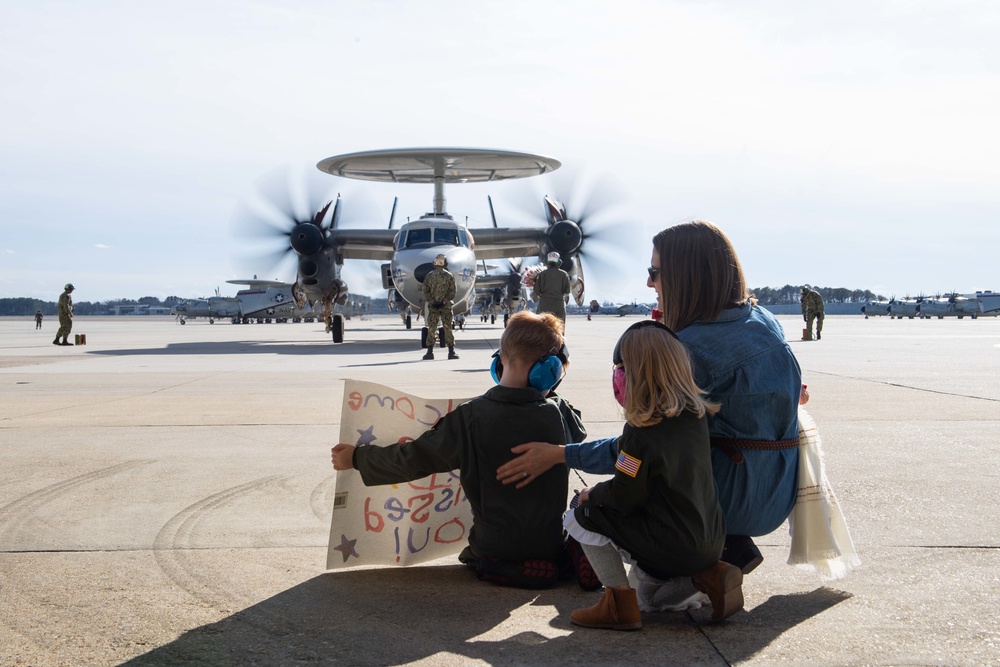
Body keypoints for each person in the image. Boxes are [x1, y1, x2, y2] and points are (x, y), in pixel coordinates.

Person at [499, 220, 802, 585]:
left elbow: (641, 449)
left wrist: (560, 455)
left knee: (589, 506)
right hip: (776, 496)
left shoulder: (686, 353)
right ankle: (729, 551)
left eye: (654, 272)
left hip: (726, 504)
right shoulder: (765, 322)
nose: (649, 283)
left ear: (685, 275)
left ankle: (661, 582)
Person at [332, 311, 593, 589]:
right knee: (580, 510)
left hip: (493, 545)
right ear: (549, 371)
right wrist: (549, 390)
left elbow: (413, 459)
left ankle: (496, 565)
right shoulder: (560, 413)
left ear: (499, 362)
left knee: (478, 551)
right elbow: (579, 432)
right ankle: (568, 558)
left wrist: (357, 458)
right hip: (548, 545)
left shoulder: (469, 417)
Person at [564, 320, 742, 631]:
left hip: (672, 544)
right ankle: (709, 575)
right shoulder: (695, 415)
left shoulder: (639, 434)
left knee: (578, 516)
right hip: (710, 540)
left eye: (620, 367)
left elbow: (623, 497)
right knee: (651, 600)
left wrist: (591, 495)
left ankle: (617, 603)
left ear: (633, 375)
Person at [421, 254, 459, 360]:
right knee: (448, 328)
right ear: (445, 263)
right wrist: (444, 301)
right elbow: (453, 292)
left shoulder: (429, 276)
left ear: (435, 263)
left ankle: (430, 352)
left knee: (432, 328)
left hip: (433, 307)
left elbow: (425, 291)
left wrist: (433, 301)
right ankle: (451, 352)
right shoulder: (449, 276)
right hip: (446, 306)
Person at [532, 252, 571, 326]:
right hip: (559, 304)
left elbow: (536, 291)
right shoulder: (564, 274)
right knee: (559, 328)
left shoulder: (542, 274)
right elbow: (567, 291)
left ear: (547, 262)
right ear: (559, 262)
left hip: (544, 305)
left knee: (542, 327)